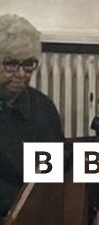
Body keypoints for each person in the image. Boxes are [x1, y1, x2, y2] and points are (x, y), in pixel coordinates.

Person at [0, 15, 62, 220]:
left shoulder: (43, 109)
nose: (21, 74)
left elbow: (52, 175)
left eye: (28, 64)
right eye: (10, 64)